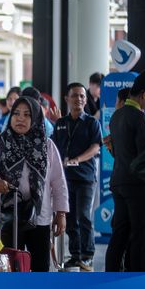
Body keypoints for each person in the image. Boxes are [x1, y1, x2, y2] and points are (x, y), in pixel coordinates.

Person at [0, 96, 69, 272]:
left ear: (36, 118)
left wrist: (61, 213)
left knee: (40, 265)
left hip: (40, 215)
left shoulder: (47, 146)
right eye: (16, 114)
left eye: (27, 115)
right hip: (8, 214)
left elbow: (58, 181)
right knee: (12, 264)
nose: (20, 118)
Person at [105, 70, 145, 272]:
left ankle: (110, 279)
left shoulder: (116, 116)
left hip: (118, 181)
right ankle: (140, 286)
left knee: (120, 235)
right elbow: (143, 157)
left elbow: (122, 151)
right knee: (140, 237)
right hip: (137, 185)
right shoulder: (139, 116)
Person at [51, 83, 103, 272]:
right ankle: (75, 255)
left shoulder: (91, 122)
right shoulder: (60, 123)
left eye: (82, 96)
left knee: (83, 216)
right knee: (70, 218)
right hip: (65, 180)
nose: (79, 99)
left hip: (86, 178)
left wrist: (77, 160)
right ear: (67, 99)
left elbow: (96, 147)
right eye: (75, 96)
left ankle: (87, 256)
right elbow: (54, 149)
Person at [104, 88, 131, 154]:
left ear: (122, 103)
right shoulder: (139, 117)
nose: (115, 105)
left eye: (116, 101)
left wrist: (112, 146)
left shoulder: (115, 120)